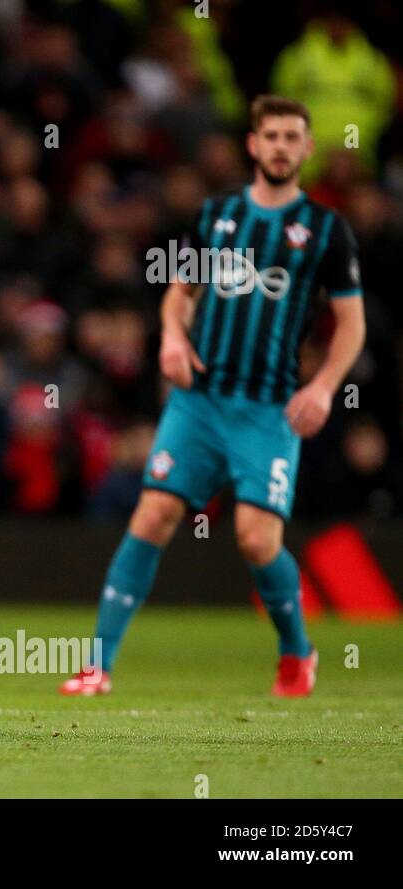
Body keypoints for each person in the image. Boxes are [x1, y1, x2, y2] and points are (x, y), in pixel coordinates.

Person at [60, 96, 365, 698]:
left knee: (256, 539)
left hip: (268, 409)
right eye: (270, 135)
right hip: (199, 401)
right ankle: (98, 666)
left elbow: (351, 323)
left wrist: (326, 388)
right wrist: (172, 336)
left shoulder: (326, 231)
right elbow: (178, 293)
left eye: (291, 137)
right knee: (153, 515)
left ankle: (297, 651)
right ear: (253, 145)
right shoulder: (219, 216)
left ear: (306, 149)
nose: (280, 145)